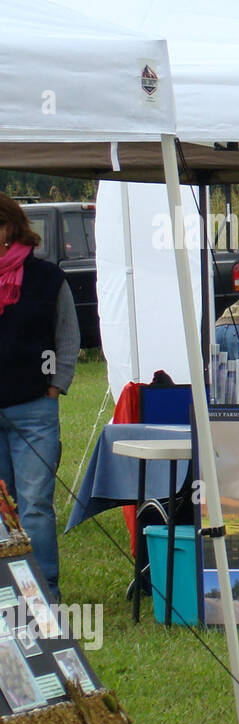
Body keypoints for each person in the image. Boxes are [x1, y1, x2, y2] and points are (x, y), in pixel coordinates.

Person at [0, 193, 79, 600]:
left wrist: (55, 387)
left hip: (34, 408)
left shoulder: (48, 278)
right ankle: (7, 590)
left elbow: (68, 334)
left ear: (10, 227)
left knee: (33, 504)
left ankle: (45, 590)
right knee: (2, 507)